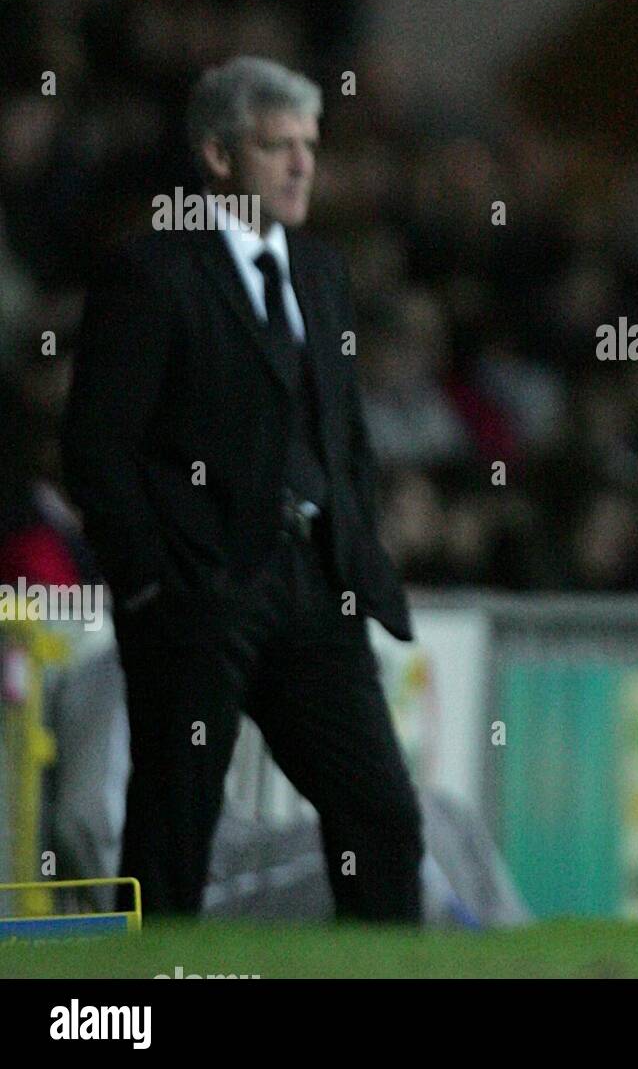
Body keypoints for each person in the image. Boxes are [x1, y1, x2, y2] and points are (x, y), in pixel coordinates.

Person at [61, 56, 423, 921]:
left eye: (309, 144)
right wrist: (152, 581)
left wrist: (353, 541)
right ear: (219, 157)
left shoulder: (322, 270)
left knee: (381, 815)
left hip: (314, 585)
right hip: (199, 589)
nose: (303, 164)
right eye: (278, 146)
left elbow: (344, 431)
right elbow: (96, 447)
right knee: (173, 828)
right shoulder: (153, 271)